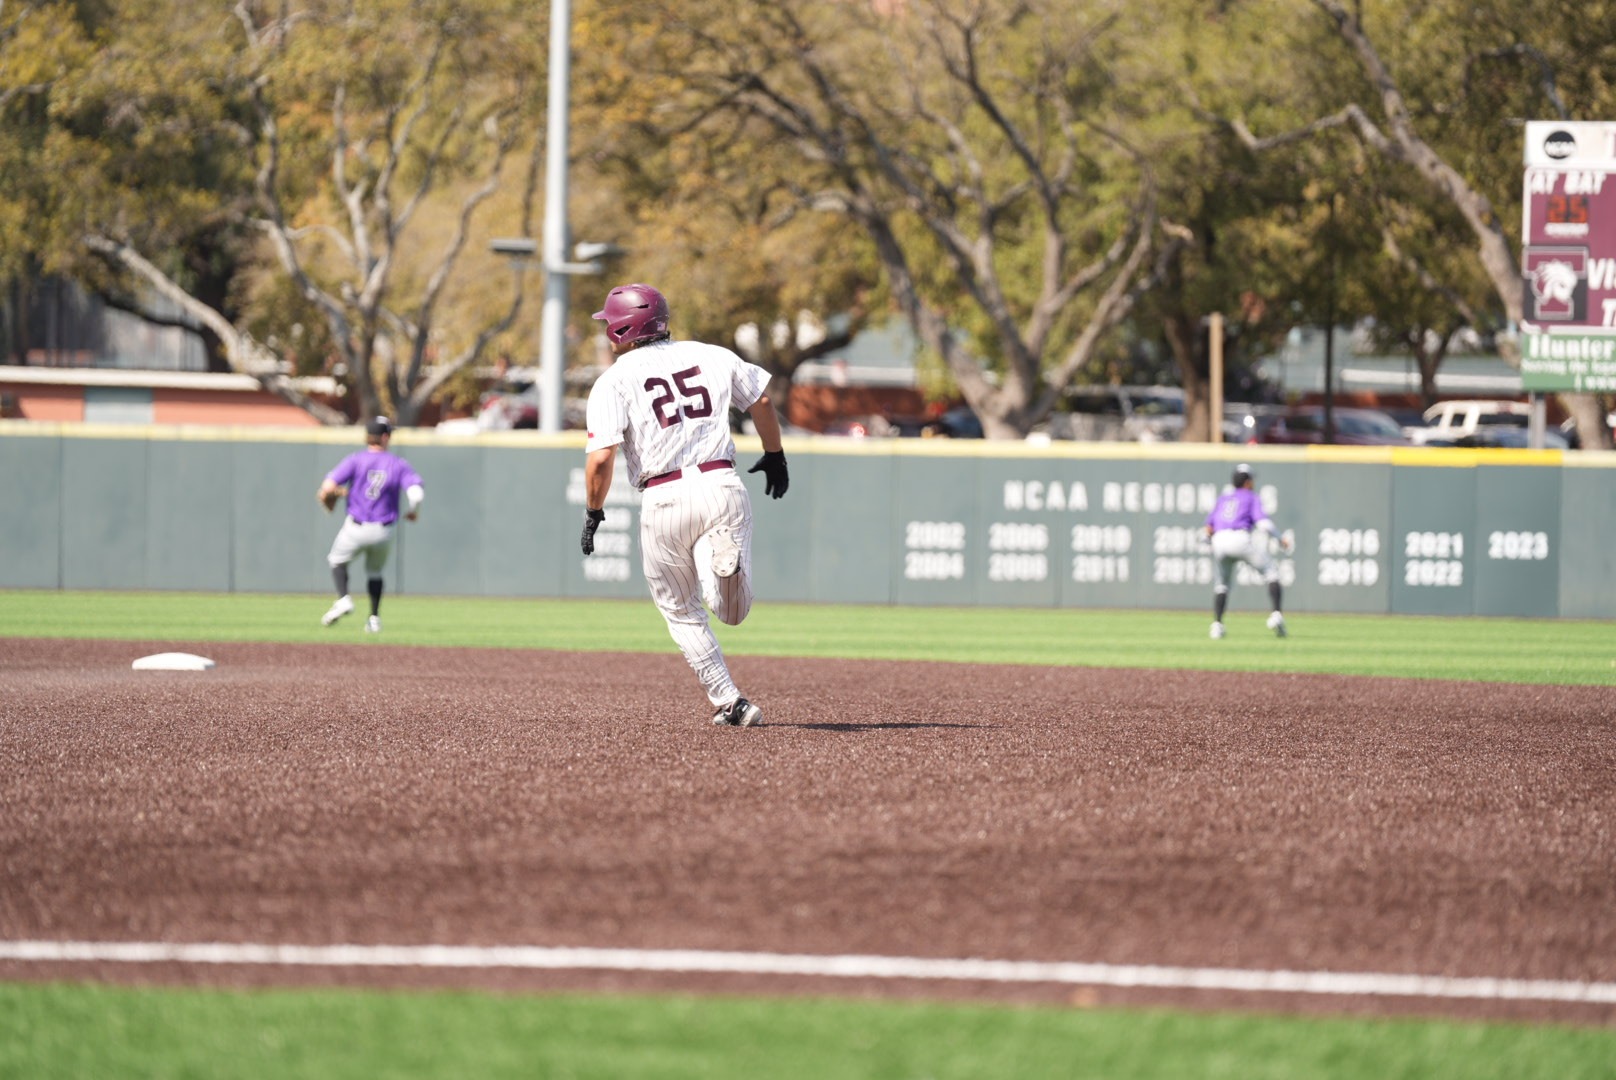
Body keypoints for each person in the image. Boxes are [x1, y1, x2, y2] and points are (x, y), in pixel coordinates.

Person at [580, 283, 789, 728]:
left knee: (680, 610)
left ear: (620, 329)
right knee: (732, 613)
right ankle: (722, 571)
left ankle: (730, 701)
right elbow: (763, 400)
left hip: (664, 496)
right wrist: (774, 454)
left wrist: (594, 511)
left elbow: (601, 458)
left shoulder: (613, 380)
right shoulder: (712, 354)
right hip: (721, 482)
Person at [316, 416, 424, 634]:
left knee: (337, 561)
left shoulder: (355, 460)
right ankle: (374, 618)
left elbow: (327, 487)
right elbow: (416, 493)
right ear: (385, 437)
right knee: (375, 572)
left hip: (356, 527)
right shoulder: (397, 463)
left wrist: (335, 493)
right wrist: (414, 511)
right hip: (384, 530)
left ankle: (344, 598)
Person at [1203, 462, 1292, 640]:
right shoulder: (1250, 497)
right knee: (1271, 572)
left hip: (1219, 540)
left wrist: (1210, 542)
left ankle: (1217, 625)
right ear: (1247, 482)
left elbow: (1208, 528)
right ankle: (1276, 615)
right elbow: (1263, 523)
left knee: (1222, 584)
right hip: (1239, 538)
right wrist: (1280, 538)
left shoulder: (1224, 498)